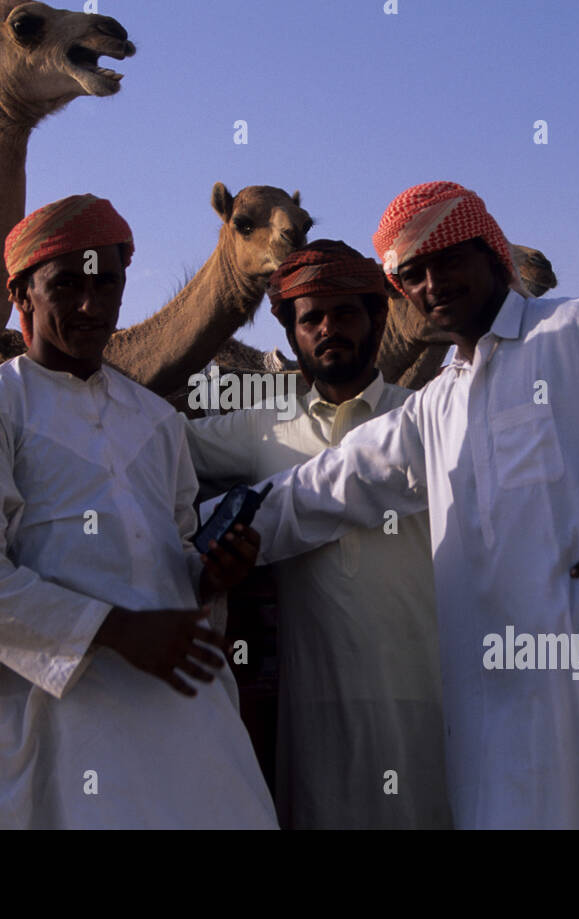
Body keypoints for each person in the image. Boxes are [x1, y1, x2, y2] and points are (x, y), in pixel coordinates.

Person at [246, 181, 579, 828]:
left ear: (492, 254)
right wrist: (223, 534)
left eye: (448, 260)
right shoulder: (436, 408)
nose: (434, 283)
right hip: (513, 707)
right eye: (413, 273)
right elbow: (328, 484)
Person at [0, 193, 277, 828]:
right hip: (61, 717)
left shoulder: (156, 421)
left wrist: (213, 573)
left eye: (105, 282)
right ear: (21, 295)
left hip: (182, 704)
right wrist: (110, 629)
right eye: (66, 284)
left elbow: (174, 554)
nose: (90, 305)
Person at [184, 240, 450, 828]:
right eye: (312, 318)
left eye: (347, 313)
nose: (330, 328)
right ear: (290, 331)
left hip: (425, 697)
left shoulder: (428, 418)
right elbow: (153, 450)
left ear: (379, 320)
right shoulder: (259, 428)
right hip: (314, 706)